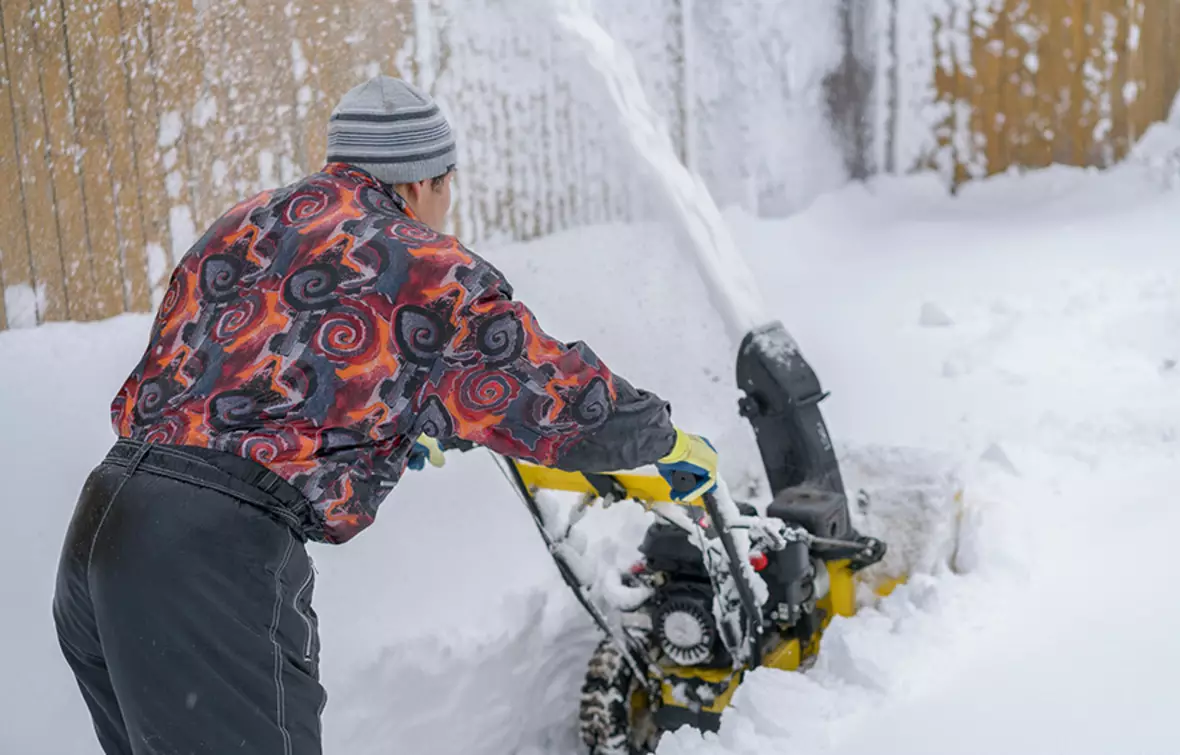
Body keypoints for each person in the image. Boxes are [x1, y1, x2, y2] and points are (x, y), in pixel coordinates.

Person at [52, 75, 719, 754]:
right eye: (448, 185)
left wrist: (388, 428)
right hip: (208, 558)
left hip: (105, 534)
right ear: (424, 181)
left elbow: (269, 367)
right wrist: (659, 438)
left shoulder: (250, 222)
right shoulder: (420, 260)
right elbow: (551, 394)